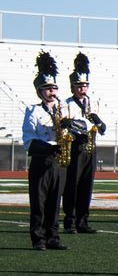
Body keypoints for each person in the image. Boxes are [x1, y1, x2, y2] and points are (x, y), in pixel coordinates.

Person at [22, 51, 69, 251]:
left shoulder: (65, 108)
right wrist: (50, 147)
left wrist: (71, 125)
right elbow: (28, 141)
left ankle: (53, 237)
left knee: (54, 202)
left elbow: (79, 129)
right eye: (47, 89)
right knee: (39, 203)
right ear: (39, 92)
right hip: (42, 162)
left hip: (60, 162)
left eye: (54, 88)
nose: (52, 92)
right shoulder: (33, 111)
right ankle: (38, 239)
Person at [62, 52, 107, 234]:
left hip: (90, 145)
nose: (83, 89)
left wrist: (98, 121)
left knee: (87, 185)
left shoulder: (93, 102)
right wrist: (80, 124)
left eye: (85, 85)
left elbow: (102, 128)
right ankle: (70, 221)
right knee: (72, 184)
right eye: (79, 86)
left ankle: (83, 221)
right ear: (72, 87)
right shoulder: (66, 104)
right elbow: (64, 124)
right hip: (74, 145)